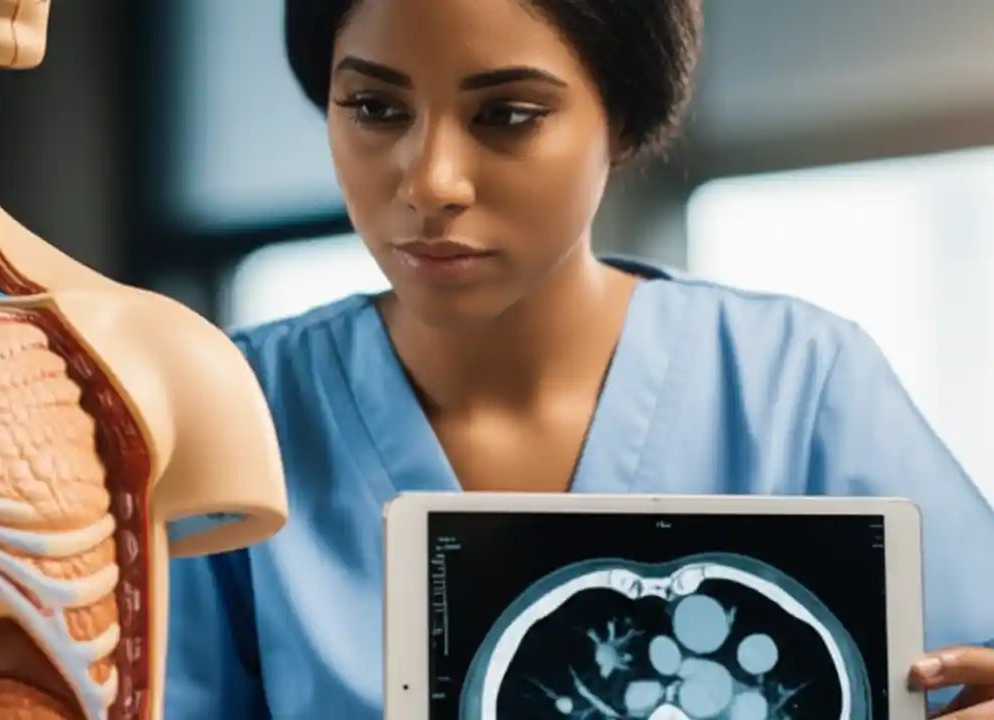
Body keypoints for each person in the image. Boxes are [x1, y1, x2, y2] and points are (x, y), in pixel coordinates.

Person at [163, 0, 994, 717]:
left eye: (508, 114)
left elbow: (965, 670)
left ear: (625, 121)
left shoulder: (797, 383)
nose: (431, 182)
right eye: (376, 108)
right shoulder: (229, 416)